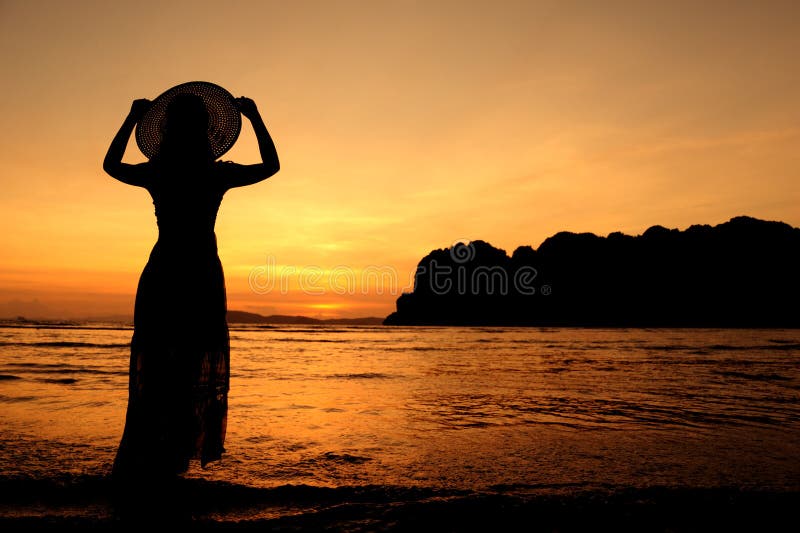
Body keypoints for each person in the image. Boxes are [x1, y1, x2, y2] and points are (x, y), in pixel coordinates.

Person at [103, 88, 279, 481]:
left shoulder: (159, 172)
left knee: (155, 372)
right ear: (205, 130)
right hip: (200, 276)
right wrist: (254, 117)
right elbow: (271, 166)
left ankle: (144, 468)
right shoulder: (215, 173)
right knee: (187, 371)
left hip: (164, 274)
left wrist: (131, 117)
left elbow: (111, 165)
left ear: (167, 129)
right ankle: (172, 468)